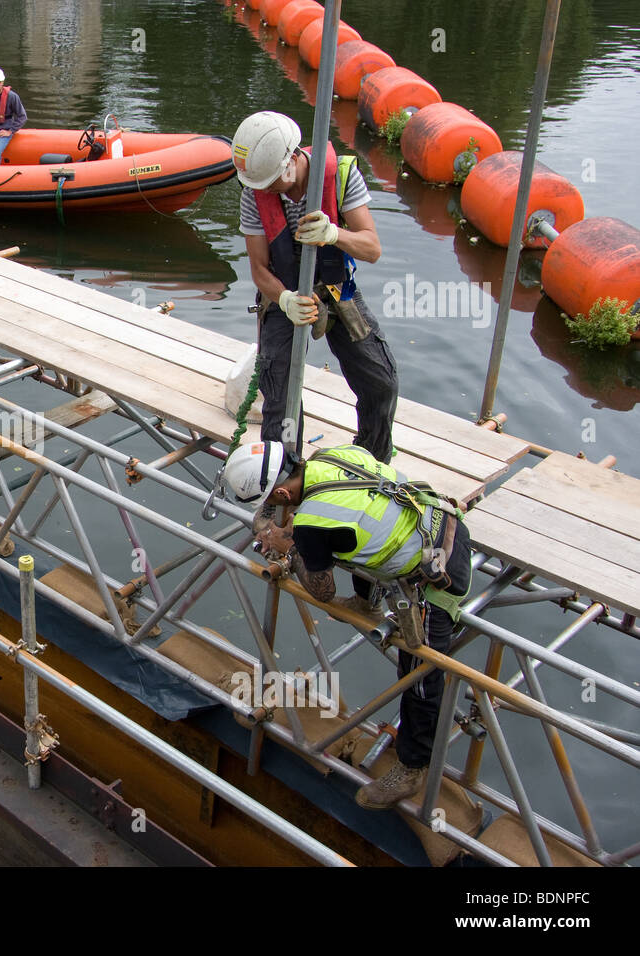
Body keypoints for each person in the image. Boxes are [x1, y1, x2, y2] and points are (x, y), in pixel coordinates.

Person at [221, 440, 471, 810]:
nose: (277, 511)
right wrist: (301, 537)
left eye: (275, 503)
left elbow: (322, 590)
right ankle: (366, 602)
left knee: (420, 672)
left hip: (440, 574)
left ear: (281, 491)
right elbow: (358, 510)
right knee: (358, 539)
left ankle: (412, 769)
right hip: (440, 521)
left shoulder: (312, 524)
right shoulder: (335, 455)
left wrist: (290, 549)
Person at [232, 111, 398, 466]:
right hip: (283, 292)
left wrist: (336, 234)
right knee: (279, 397)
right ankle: (286, 475)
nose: (264, 189)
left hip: (337, 289)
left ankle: (371, 461)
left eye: (272, 181)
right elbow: (260, 270)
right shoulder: (254, 191)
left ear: (292, 160)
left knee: (381, 382)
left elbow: (372, 248)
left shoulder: (340, 177)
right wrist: (286, 299)